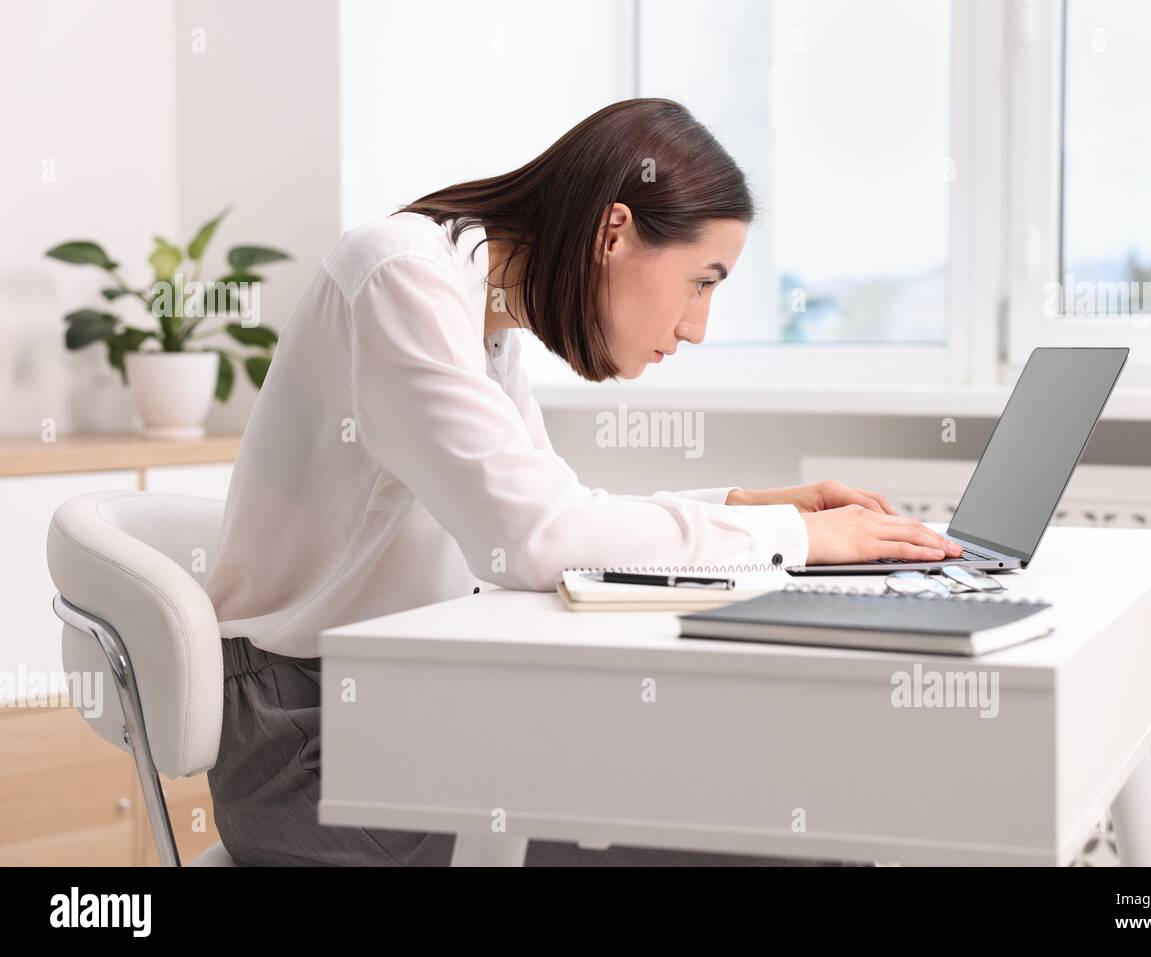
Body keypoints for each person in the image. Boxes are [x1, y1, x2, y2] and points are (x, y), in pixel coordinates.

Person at [203, 98, 961, 866]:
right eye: (702, 281)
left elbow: (559, 516)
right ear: (614, 232)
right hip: (311, 752)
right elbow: (536, 541)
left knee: (766, 802)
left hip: (401, 705)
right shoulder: (402, 278)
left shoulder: (482, 319)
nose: (698, 325)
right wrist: (795, 538)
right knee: (755, 830)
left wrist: (750, 507)